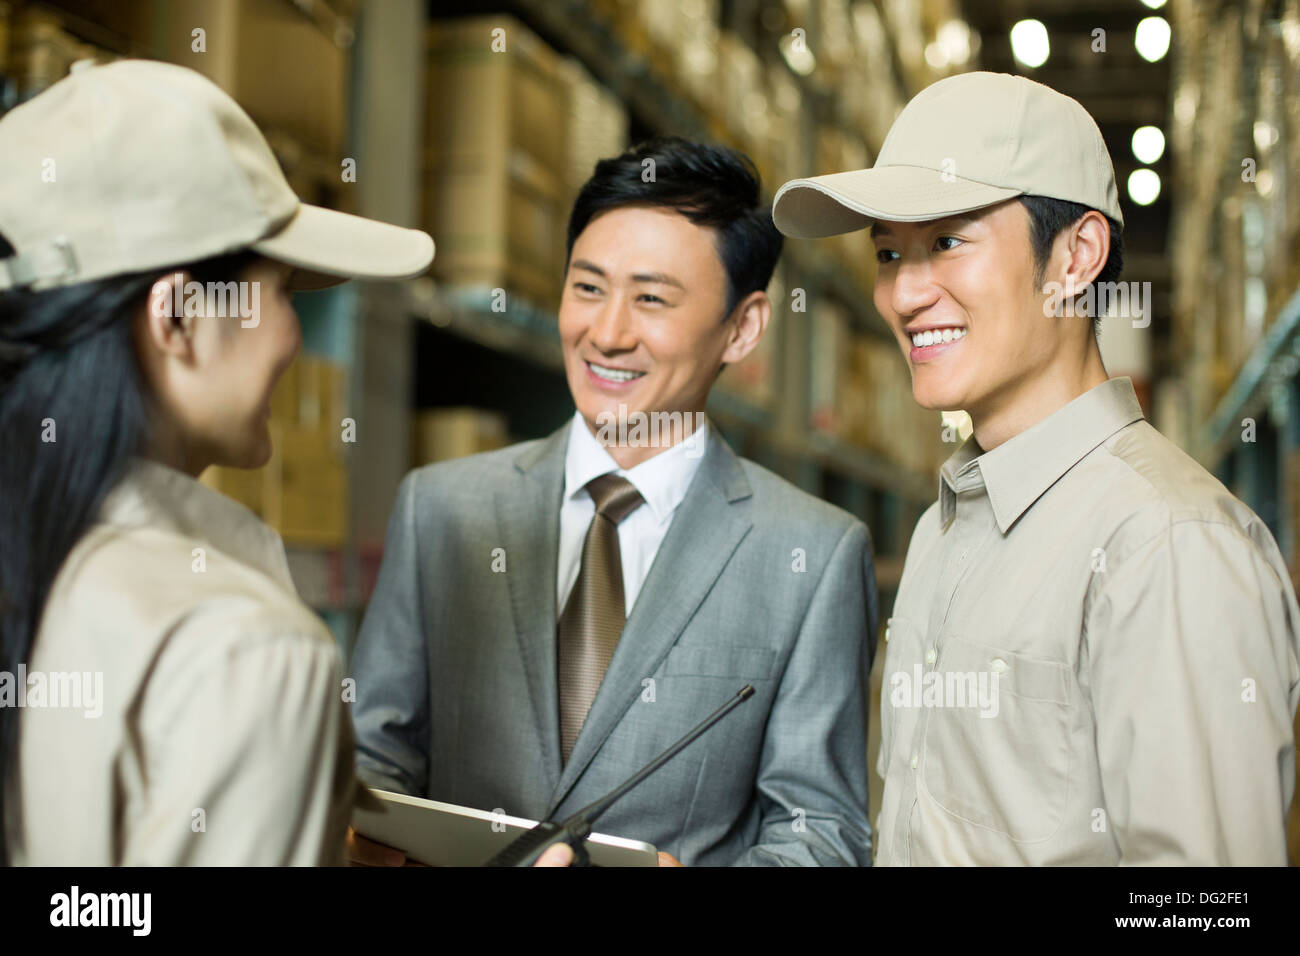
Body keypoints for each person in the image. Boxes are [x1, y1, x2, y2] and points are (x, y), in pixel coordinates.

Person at [773, 70, 1300, 865]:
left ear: (1076, 256)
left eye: (947, 242)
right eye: (887, 252)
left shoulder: (1167, 546)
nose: (905, 293)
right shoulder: (941, 528)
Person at [348, 137, 879, 867]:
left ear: (743, 326)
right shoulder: (440, 510)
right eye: (588, 288)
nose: (606, 334)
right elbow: (374, 766)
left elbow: (820, 832)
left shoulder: (812, 557)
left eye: (652, 299)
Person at [0, 58, 443, 866]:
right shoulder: (250, 651)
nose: (293, 342)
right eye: (282, 293)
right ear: (176, 316)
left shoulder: (46, 565)